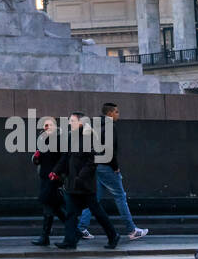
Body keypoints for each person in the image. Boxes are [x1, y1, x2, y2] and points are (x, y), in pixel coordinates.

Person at [76, 102, 148, 241]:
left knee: (94, 199)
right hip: (106, 166)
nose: (118, 115)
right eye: (116, 112)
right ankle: (132, 230)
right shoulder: (110, 127)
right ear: (109, 113)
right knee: (120, 196)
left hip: (95, 165)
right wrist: (115, 167)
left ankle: (81, 228)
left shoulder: (96, 125)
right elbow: (110, 150)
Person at [52, 113, 119, 250]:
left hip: (85, 185)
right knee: (71, 212)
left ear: (81, 122)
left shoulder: (89, 137)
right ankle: (70, 241)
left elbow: (92, 161)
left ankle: (113, 235)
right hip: (72, 183)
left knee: (97, 211)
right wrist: (56, 171)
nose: (70, 123)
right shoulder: (70, 137)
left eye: (72, 120)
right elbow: (65, 156)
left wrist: (79, 177)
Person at [31, 117, 65, 246]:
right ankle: (74, 229)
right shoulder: (42, 138)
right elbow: (39, 157)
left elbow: (63, 159)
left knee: (48, 204)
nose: (47, 127)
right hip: (44, 176)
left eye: (49, 125)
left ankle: (45, 236)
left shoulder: (60, 139)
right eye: (45, 125)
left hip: (54, 177)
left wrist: (57, 173)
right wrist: (36, 158)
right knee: (53, 207)